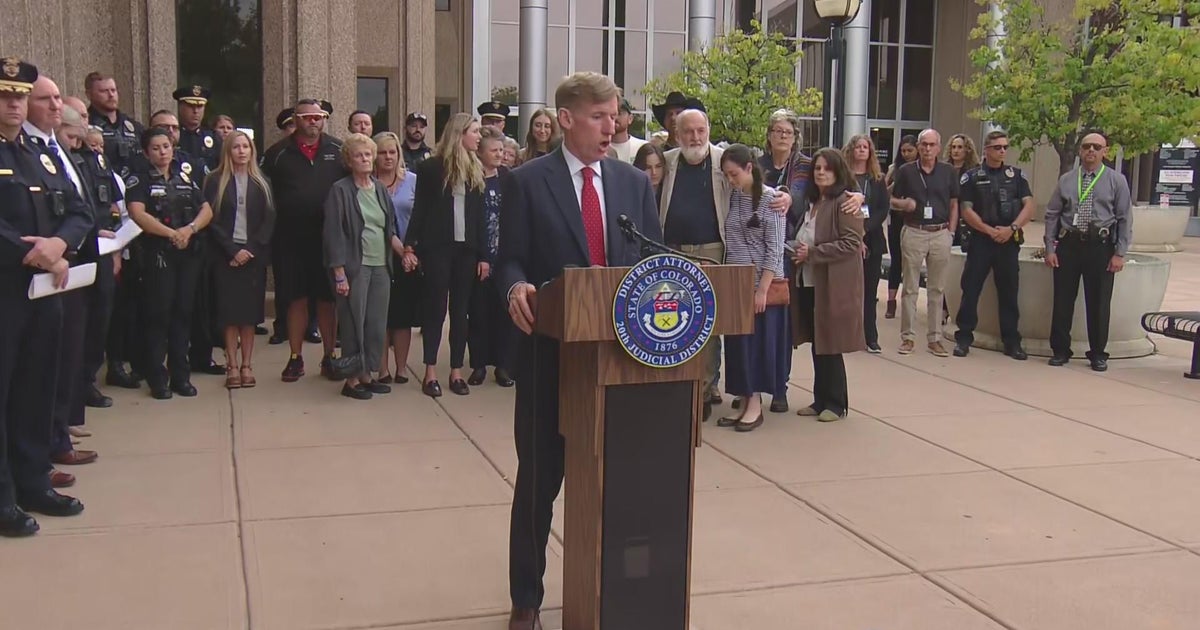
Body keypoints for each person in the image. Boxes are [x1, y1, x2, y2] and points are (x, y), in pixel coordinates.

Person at [497, 71, 662, 630]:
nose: (611, 126)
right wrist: (516, 287)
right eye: (599, 116)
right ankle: (526, 600)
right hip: (551, 361)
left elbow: (653, 262)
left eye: (615, 117)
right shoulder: (525, 181)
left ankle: (616, 591)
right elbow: (510, 259)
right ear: (566, 118)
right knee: (539, 486)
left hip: (621, 360)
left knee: (619, 485)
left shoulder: (633, 184)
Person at [0, 57, 93, 536]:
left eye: (20, 94)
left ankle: (34, 481)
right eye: (6, 95)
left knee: (37, 391)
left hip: (43, 295)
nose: (14, 103)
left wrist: (60, 245)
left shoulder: (38, 152)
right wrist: (40, 254)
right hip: (6, 295)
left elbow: (78, 208)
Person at [660, 107, 794, 416]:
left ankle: (708, 391)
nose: (695, 137)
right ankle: (688, 387)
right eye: (688, 132)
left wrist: (787, 195)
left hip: (716, 255)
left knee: (710, 326)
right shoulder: (667, 162)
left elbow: (758, 179)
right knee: (676, 322)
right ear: (677, 135)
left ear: (707, 130)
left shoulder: (723, 162)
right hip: (676, 251)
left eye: (700, 130)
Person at [24, 75, 102, 472]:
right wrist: (52, 251)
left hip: (71, 266)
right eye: (46, 99)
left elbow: (80, 208)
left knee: (65, 355)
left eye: (58, 98)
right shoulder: (24, 151)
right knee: (43, 368)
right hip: (39, 272)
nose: (56, 106)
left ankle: (57, 434)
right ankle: (47, 448)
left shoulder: (56, 149)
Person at [261, 98, 347, 382]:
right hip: (290, 241)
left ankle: (328, 356)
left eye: (318, 117)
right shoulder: (276, 154)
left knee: (326, 301)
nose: (313, 122)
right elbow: (263, 196)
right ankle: (295, 357)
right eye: (307, 117)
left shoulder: (338, 150)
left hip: (327, 240)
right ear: (296, 120)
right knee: (296, 300)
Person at [125, 127, 214, 399]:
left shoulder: (185, 176)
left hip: (187, 254)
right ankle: (157, 378)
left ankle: (180, 376)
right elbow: (137, 214)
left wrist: (189, 230)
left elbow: (206, 208)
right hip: (158, 254)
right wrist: (171, 234)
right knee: (158, 315)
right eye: (155, 148)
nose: (162, 152)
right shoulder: (139, 179)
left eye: (166, 146)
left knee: (183, 313)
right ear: (145, 152)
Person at [404, 113, 488, 397]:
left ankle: (455, 371)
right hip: (438, 248)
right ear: (459, 133)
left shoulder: (477, 169)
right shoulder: (430, 168)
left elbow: (480, 217)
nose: (479, 137)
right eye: (474, 131)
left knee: (461, 311)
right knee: (435, 310)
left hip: (467, 251)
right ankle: (429, 371)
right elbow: (420, 210)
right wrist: (410, 244)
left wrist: (484, 255)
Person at [1043, 131, 1131, 372]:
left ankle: (1098, 354)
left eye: (1096, 146)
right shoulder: (1067, 180)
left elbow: (1124, 219)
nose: (1091, 150)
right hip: (1069, 245)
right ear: (1080, 151)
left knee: (1099, 302)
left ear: (1105, 151)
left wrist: (1119, 253)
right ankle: (1060, 350)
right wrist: (1050, 247)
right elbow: (1052, 215)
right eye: (1086, 146)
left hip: (1100, 247)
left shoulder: (1116, 180)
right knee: (1062, 300)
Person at [325, 133, 403, 399]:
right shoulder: (341, 190)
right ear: (349, 159)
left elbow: (389, 227)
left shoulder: (379, 188)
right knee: (352, 323)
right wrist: (339, 274)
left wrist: (404, 252)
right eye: (359, 155)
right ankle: (351, 381)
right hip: (353, 268)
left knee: (375, 324)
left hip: (381, 264)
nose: (365, 159)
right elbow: (334, 234)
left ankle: (368, 374)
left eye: (369, 154)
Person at [791, 148, 866, 422]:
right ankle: (819, 398)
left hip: (834, 284)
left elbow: (851, 243)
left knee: (831, 343)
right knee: (817, 342)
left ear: (838, 172)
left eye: (827, 168)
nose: (821, 172)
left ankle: (836, 404)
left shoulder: (845, 202)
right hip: (809, 281)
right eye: (817, 168)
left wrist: (812, 253)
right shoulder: (812, 202)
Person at [716, 144, 786, 432]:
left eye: (734, 174)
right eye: (727, 175)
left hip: (759, 283)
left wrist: (762, 289)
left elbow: (775, 249)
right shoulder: (734, 197)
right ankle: (745, 398)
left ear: (748, 168)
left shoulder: (770, 200)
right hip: (735, 280)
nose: (731, 180)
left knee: (755, 345)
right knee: (737, 345)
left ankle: (755, 404)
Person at [203, 131, 275, 388]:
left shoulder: (261, 182)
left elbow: (269, 220)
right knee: (229, 315)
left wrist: (250, 250)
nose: (242, 151)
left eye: (246, 146)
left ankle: (247, 364)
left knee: (248, 316)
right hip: (225, 257)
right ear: (228, 151)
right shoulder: (214, 181)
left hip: (252, 258)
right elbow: (211, 220)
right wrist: (232, 251)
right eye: (236, 147)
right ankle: (231, 364)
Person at [953, 130, 1033, 360]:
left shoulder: (1017, 176)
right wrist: (988, 231)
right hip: (981, 240)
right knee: (970, 290)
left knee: (1009, 292)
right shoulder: (971, 176)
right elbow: (966, 209)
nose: (1002, 151)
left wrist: (1012, 229)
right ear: (986, 150)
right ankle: (964, 338)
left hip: (1008, 240)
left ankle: (1012, 342)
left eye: (1005, 147)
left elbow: (1029, 205)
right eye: (997, 147)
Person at [889, 129, 959, 357]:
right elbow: (891, 199)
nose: (927, 149)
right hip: (914, 230)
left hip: (940, 232)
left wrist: (951, 231)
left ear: (939, 147)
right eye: (924, 145)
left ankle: (935, 338)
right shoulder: (906, 171)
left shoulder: (947, 171)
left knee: (937, 289)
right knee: (910, 288)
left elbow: (954, 203)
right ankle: (908, 337)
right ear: (918, 147)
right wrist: (904, 204)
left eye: (932, 145)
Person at [467, 126, 516, 388]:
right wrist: (481, 256)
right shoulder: (471, 179)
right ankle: (478, 365)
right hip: (478, 257)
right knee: (478, 313)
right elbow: (471, 221)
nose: (500, 155)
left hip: (504, 257)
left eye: (502, 150)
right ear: (480, 152)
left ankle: (504, 366)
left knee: (504, 313)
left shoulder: (509, 178)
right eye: (494, 150)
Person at [372, 131, 419, 385]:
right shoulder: (368, 182)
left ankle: (401, 368)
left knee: (402, 316)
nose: (388, 157)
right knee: (381, 315)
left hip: (407, 257)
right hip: (376, 256)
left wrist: (410, 250)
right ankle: (382, 370)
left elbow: (420, 217)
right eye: (382, 152)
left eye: (392, 152)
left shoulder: (412, 181)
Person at [844, 134, 889, 353]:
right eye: (858, 147)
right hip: (847, 237)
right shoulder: (843, 178)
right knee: (849, 291)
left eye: (865, 147)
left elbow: (882, 208)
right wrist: (855, 233)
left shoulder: (877, 179)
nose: (862, 150)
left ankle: (870, 336)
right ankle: (849, 334)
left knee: (869, 290)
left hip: (872, 237)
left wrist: (865, 229)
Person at [85, 71, 144, 179]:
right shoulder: (85, 125)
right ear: (89, 94)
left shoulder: (135, 127)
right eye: (104, 91)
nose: (111, 95)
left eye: (113, 90)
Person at [884, 134, 917, 319]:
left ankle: (909, 302)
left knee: (911, 262)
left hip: (915, 219)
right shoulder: (894, 168)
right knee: (896, 258)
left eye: (910, 150)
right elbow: (884, 192)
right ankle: (891, 301)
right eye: (903, 150)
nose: (906, 154)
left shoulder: (922, 170)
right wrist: (897, 181)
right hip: (896, 217)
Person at [174, 85, 220, 176]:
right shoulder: (173, 134)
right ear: (180, 107)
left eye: (200, 106)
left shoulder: (213, 138)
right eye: (191, 106)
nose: (196, 111)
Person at [609, 97, 648, 163]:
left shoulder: (642, 147)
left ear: (630, 118)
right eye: (612, 114)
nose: (615, 117)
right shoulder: (599, 148)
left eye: (619, 113)